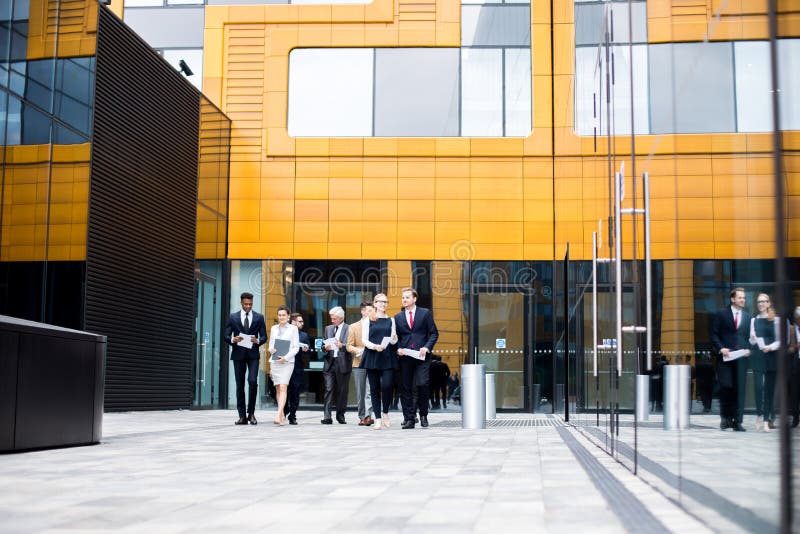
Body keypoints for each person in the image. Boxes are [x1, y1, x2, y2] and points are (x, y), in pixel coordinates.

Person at [395, 287, 439, 429]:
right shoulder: (398, 317)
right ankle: (409, 418)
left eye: (407, 297)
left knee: (422, 384)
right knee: (406, 387)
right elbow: (396, 338)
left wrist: (426, 347)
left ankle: (424, 414)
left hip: (422, 356)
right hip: (405, 357)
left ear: (414, 299)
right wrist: (398, 349)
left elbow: (433, 333)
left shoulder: (425, 313)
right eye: (403, 298)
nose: (404, 300)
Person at [710, 287, 750, 432]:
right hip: (725, 358)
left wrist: (748, 349)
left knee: (738, 389)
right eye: (740, 297)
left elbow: (748, 337)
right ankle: (725, 418)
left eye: (744, 298)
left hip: (741, 359)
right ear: (733, 299)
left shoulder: (747, 317)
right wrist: (721, 348)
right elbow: (714, 334)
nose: (743, 300)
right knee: (726, 387)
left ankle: (737, 421)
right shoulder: (722, 314)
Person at [224, 292, 268, 425]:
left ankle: (251, 414)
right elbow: (226, 335)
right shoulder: (233, 317)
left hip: (253, 355)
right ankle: (242, 416)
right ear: (241, 303)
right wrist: (233, 339)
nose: (248, 306)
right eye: (246, 304)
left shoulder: (259, 317)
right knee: (240, 385)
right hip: (238, 355)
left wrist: (257, 340)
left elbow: (264, 336)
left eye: (250, 304)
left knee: (253, 381)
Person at [361, 293, 398, 430]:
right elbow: (364, 340)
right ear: (375, 304)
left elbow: (394, 340)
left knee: (388, 385)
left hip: (387, 356)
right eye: (381, 302)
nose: (383, 304)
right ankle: (377, 418)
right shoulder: (368, 320)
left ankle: (385, 412)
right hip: (373, 355)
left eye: (386, 302)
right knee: (374, 388)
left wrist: (394, 338)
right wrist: (375, 346)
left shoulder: (391, 320)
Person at [749, 294, 781, 432]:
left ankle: (767, 420)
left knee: (769, 390)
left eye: (763, 301)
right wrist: (752, 339)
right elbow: (752, 341)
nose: (761, 304)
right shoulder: (753, 320)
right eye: (759, 302)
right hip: (758, 357)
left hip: (771, 356)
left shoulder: (776, 320)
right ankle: (759, 415)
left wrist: (770, 347)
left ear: (769, 303)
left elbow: (780, 341)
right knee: (758, 388)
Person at [267, 306, 299, 426]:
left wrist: (286, 358)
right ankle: (281, 416)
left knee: (283, 387)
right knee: (277, 388)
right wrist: (272, 350)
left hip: (287, 362)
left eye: (283, 315)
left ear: (288, 316)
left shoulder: (293, 329)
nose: (281, 317)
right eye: (279, 315)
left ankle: (278, 413)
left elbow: (296, 348)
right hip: (275, 361)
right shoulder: (274, 328)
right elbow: (270, 345)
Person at [321, 306, 352, 424]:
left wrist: (342, 346)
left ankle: (340, 415)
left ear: (340, 318)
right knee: (328, 389)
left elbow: (350, 346)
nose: (332, 321)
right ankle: (327, 417)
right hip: (329, 363)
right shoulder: (328, 329)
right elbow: (322, 345)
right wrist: (325, 347)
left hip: (343, 363)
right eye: (331, 318)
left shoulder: (349, 328)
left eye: (334, 319)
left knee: (342, 391)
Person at [346, 301, 374, 426]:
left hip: (373, 363)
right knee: (360, 392)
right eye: (368, 310)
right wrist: (358, 350)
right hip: (359, 363)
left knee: (370, 390)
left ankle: (368, 415)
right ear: (362, 312)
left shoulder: (376, 325)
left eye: (371, 310)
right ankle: (362, 416)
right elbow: (348, 346)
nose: (370, 313)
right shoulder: (353, 327)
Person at [284, 313, 310, 425]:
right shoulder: (285, 332)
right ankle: (283, 411)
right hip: (284, 364)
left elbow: (309, 351)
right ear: (293, 322)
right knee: (283, 390)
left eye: (302, 321)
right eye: (300, 321)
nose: (302, 323)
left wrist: (306, 349)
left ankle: (292, 415)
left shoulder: (304, 335)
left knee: (295, 391)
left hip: (297, 366)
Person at [788, 307, 800, 428]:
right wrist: (796, 346)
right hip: (795, 364)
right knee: (795, 392)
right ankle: (795, 417)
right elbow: (789, 349)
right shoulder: (791, 330)